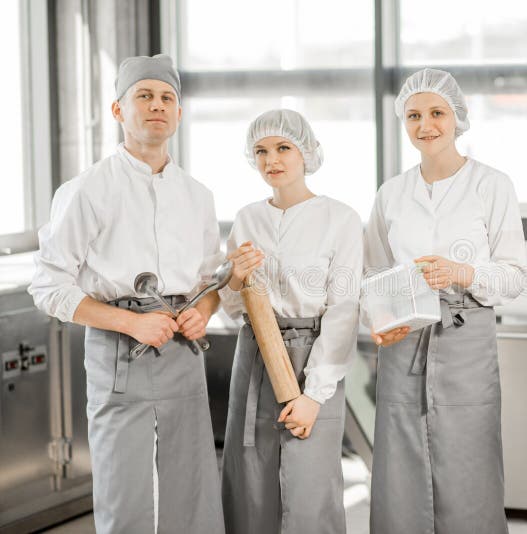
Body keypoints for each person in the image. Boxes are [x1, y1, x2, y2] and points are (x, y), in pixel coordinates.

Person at [28, 54, 225, 533]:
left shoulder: (197, 195)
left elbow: (208, 281)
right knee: (124, 496)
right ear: (119, 111)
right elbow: (49, 285)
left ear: (178, 114)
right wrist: (131, 322)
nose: (157, 106)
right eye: (144, 96)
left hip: (183, 350)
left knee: (193, 490)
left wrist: (203, 310)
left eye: (167, 98)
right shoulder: (87, 190)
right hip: (119, 351)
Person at [363, 68, 527, 534]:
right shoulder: (391, 193)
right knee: (400, 467)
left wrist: (463, 272)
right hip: (404, 341)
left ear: (457, 117)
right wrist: (377, 321)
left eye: (436, 112)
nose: (425, 124)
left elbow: (515, 276)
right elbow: (372, 274)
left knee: (468, 461)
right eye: (413, 115)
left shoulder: (491, 185)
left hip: (466, 338)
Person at [219, 109, 362, 534]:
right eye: (261, 151)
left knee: (309, 485)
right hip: (255, 355)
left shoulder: (340, 219)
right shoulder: (247, 218)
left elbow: (343, 309)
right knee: (250, 476)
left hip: (313, 358)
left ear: (307, 153)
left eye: (283, 148)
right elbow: (230, 305)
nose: (271, 160)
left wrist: (314, 393)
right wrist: (236, 277)